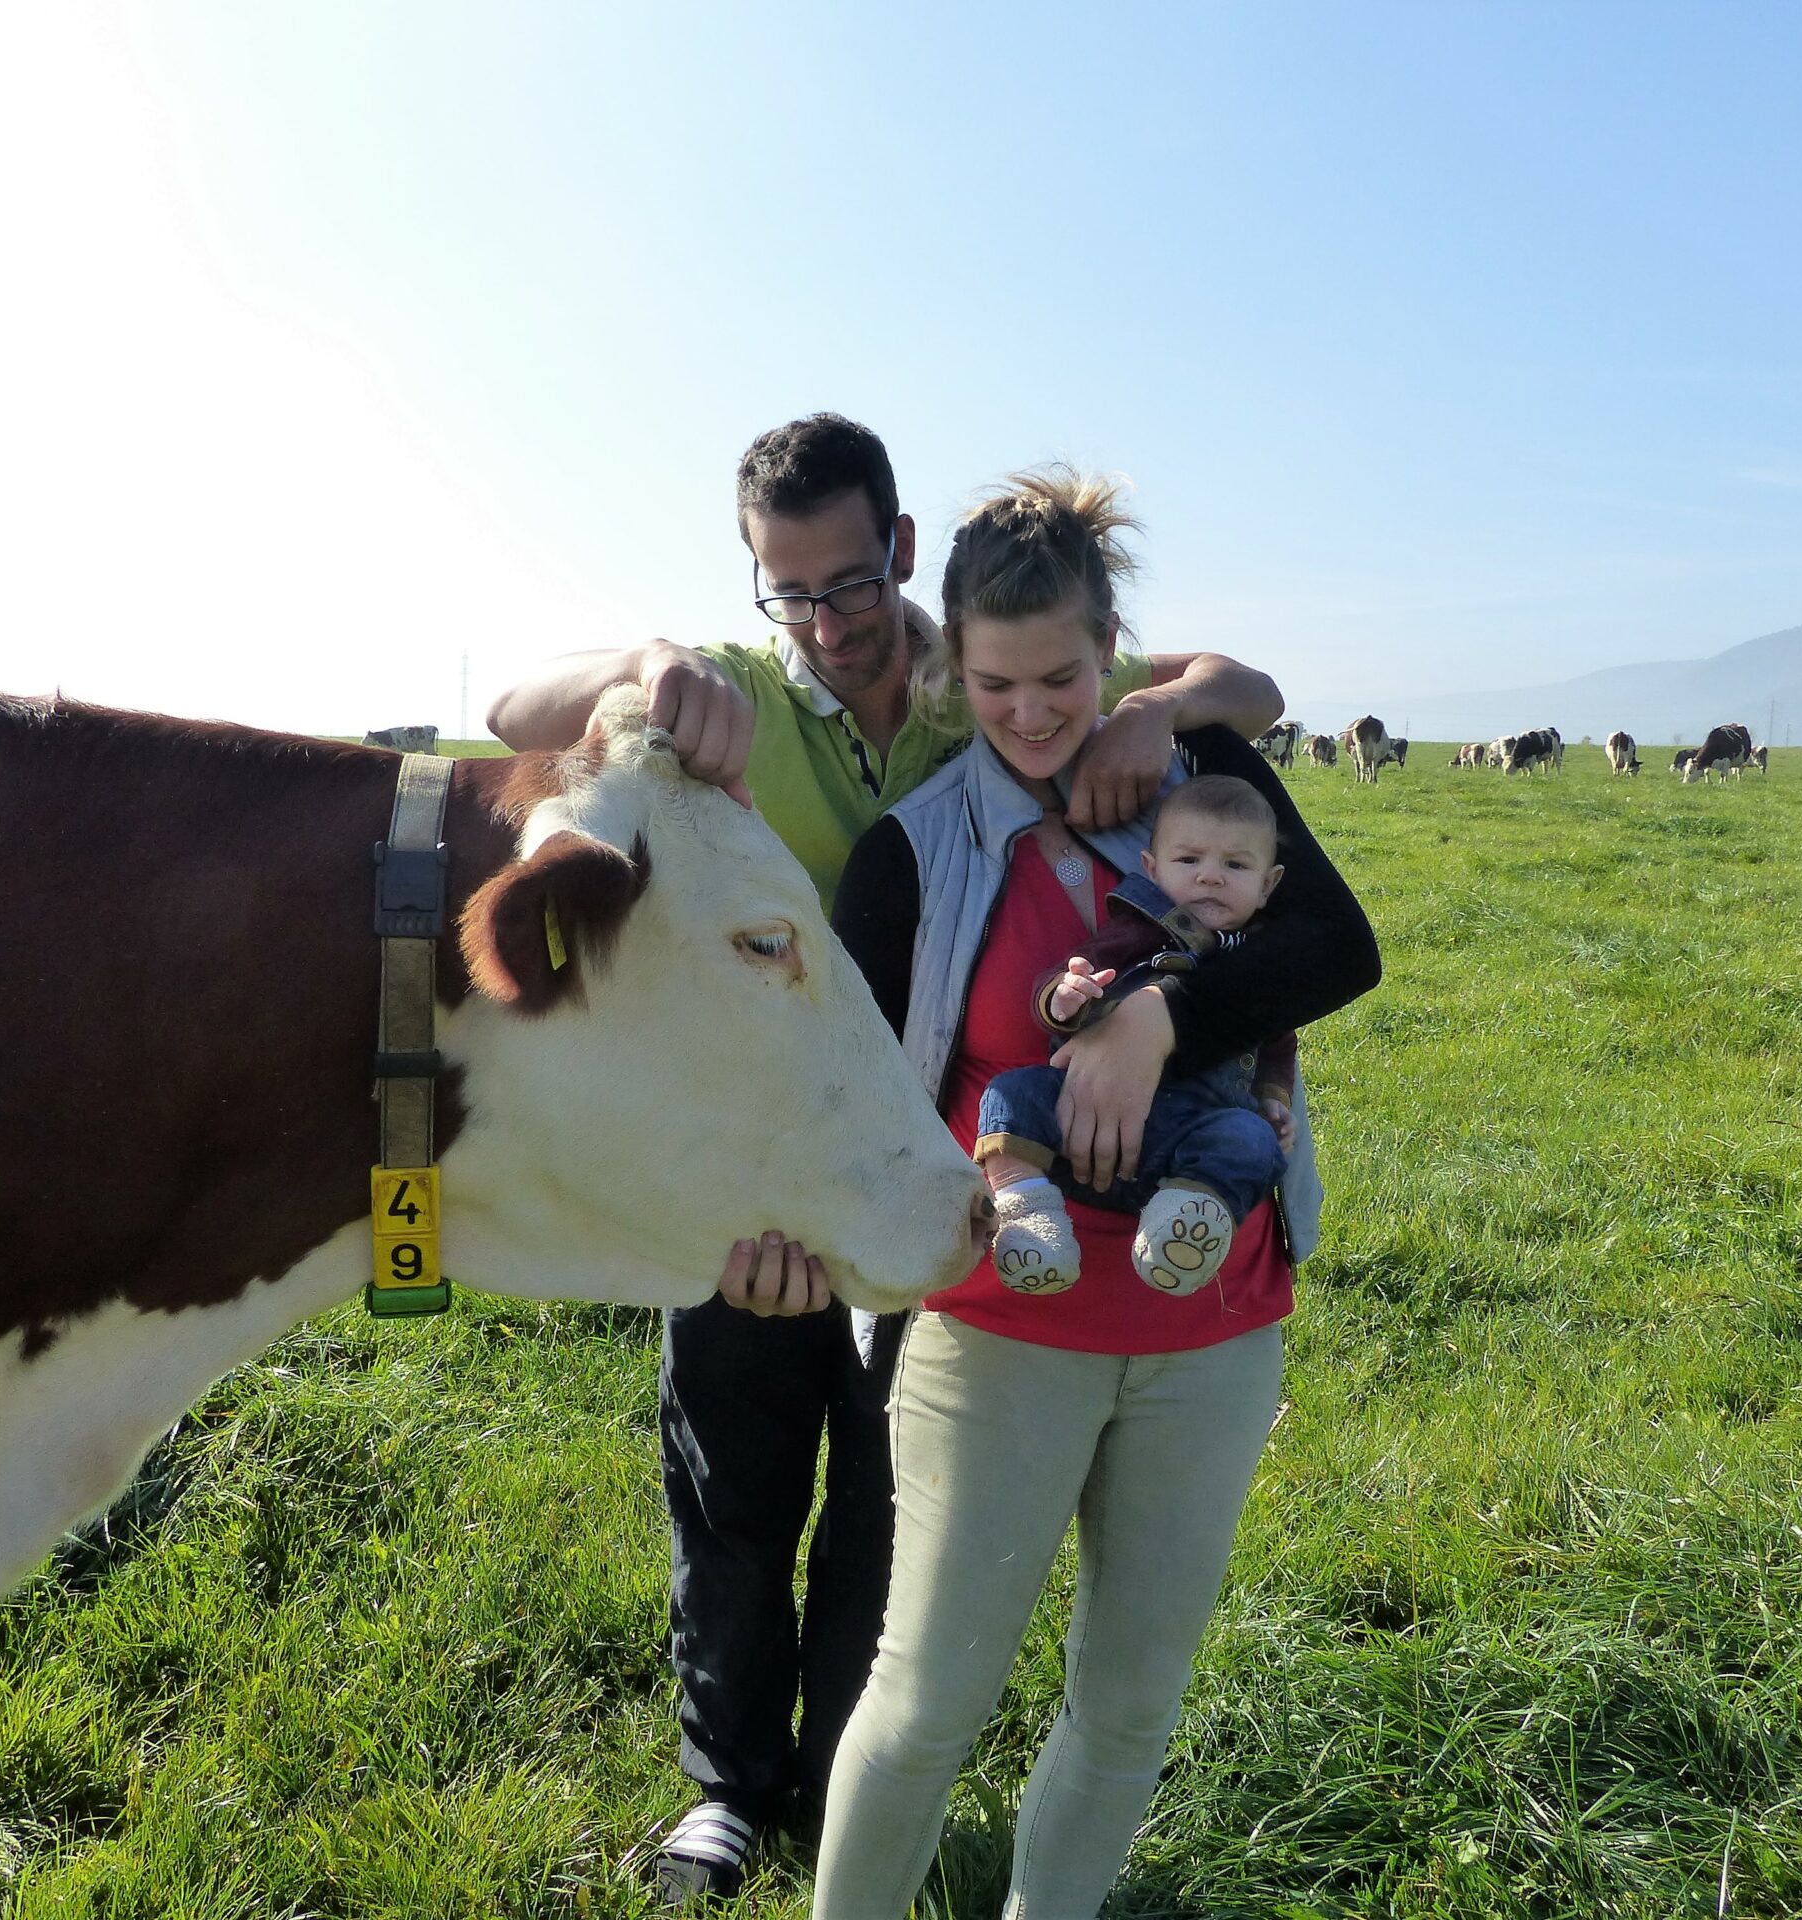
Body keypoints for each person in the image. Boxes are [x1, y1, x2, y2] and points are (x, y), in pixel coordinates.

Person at [484, 415, 1285, 1903]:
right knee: (734, 1479)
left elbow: (1242, 685)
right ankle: (729, 1791)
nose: (829, 622)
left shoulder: (982, 671)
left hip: (925, 1167)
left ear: (902, 549)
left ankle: (844, 1787)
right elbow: (507, 704)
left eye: (852, 582)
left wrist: (1157, 714)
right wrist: (645, 658)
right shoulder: (727, 691)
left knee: (883, 1501)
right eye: (789, 592)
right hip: (746, 1162)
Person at [814, 469, 1380, 1917]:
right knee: (926, 1706)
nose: (1030, 712)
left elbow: (1337, 948)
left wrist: (1157, 1019)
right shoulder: (911, 852)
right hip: (1001, 1327)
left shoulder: (1201, 786)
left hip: (1214, 1332)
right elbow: (846, 1088)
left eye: (1062, 678)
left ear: (1110, 653)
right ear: (951, 666)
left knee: (1129, 1709)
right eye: (994, 682)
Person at [978, 772, 1297, 1299]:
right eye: (1189, 860)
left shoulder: (1264, 961)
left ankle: (1184, 1225)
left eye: (1236, 865)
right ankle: (1029, 1217)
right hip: (1078, 1119)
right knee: (1010, 1094)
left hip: (1193, 1134)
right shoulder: (1137, 930)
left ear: (1268, 883)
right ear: (1152, 868)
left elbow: (1279, 1041)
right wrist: (1065, 996)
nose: (1210, 877)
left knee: (1254, 1141)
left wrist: (1273, 1098)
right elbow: (1074, 973)